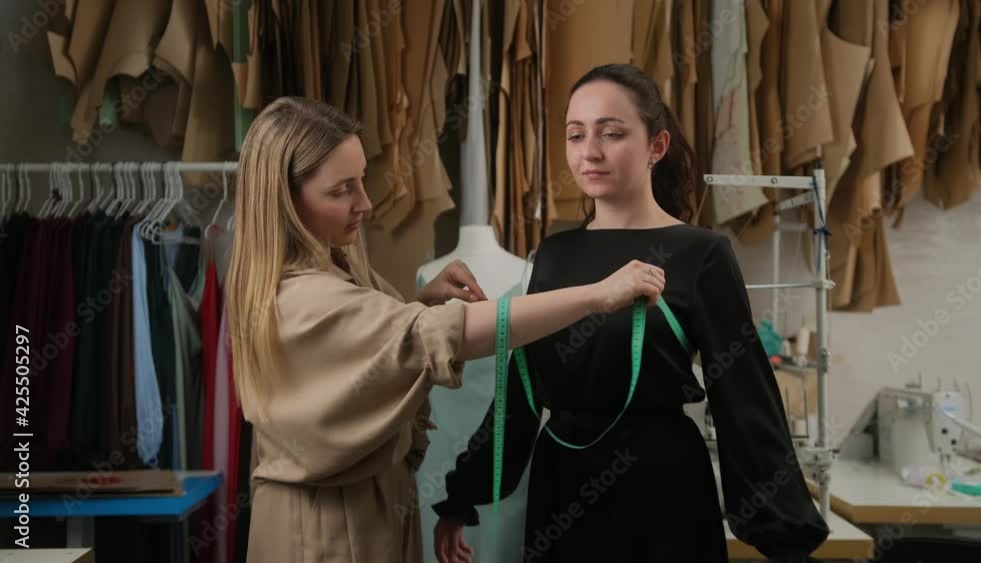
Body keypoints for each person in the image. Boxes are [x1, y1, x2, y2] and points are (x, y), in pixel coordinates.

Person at [223, 96, 667, 563]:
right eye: (342, 191)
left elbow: (359, 354)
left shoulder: (330, 265)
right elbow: (449, 334)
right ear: (286, 200)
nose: (366, 203)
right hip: (326, 533)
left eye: (362, 181)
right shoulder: (301, 296)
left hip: (357, 512)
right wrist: (597, 295)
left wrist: (419, 303)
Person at [431, 64, 830, 562]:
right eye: (576, 135)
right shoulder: (554, 254)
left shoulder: (701, 254)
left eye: (612, 133)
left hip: (661, 491)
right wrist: (461, 495)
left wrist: (785, 539)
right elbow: (521, 389)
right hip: (562, 489)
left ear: (656, 146)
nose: (590, 151)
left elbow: (745, 399)